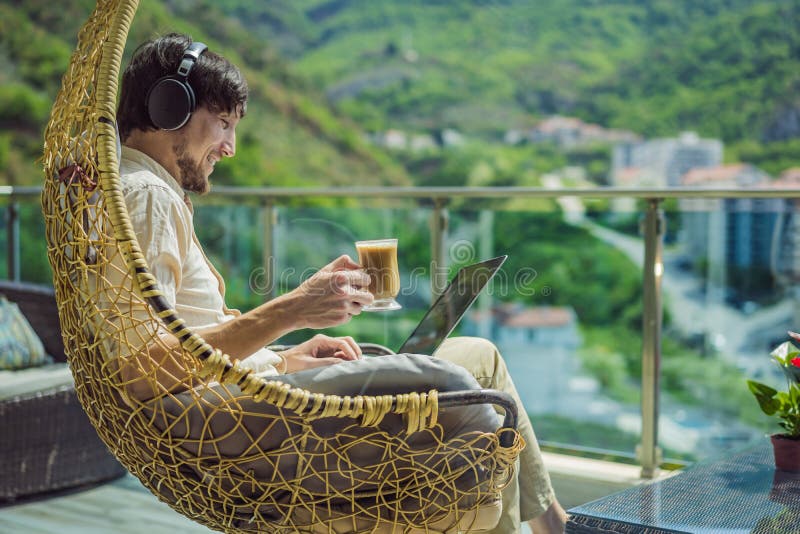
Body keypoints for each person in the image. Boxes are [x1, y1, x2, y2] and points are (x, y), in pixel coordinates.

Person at [114, 33, 566, 534]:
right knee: (467, 384)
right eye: (223, 122)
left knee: (480, 355)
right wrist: (291, 309)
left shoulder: (140, 193)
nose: (231, 147)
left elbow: (180, 343)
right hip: (243, 428)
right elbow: (144, 370)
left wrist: (287, 358)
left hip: (249, 402)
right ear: (169, 107)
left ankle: (556, 526)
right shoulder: (147, 197)